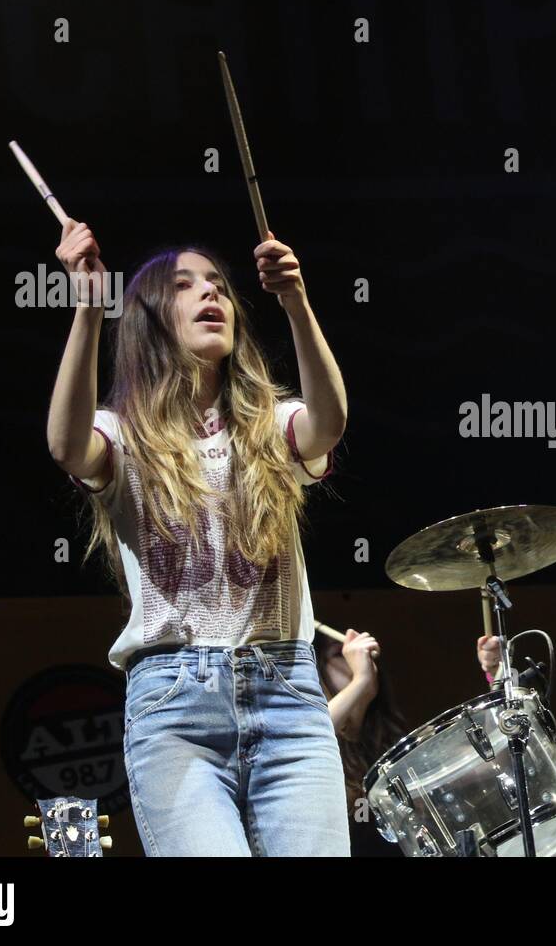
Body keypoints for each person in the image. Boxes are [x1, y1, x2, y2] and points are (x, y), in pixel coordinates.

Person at [46, 216, 350, 856]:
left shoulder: (271, 421)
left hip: (289, 695)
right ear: (153, 318)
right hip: (174, 704)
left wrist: (295, 302)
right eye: (186, 286)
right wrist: (87, 308)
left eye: (217, 284)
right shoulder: (122, 431)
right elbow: (66, 445)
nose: (211, 293)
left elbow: (329, 422)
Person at [312, 626, 409, 856]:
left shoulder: (389, 739)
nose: (358, 660)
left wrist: (494, 675)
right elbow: (313, 734)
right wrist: (361, 680)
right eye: (340, 654)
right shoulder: (311, 738)